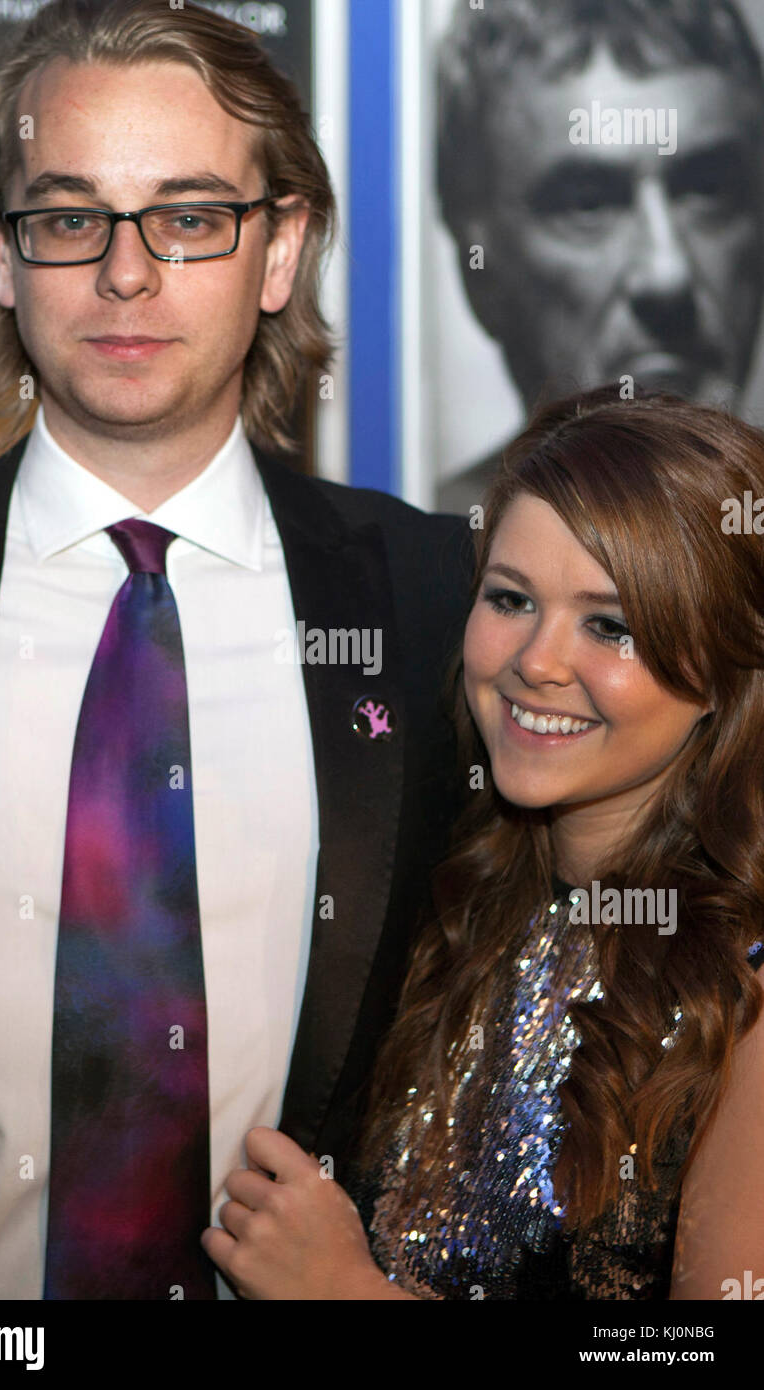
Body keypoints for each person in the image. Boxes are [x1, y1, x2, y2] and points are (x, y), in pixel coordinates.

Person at [0, 0, 471, 1300]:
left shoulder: (439, 597)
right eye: (67, 217)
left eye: (190, 216)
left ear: (280, 252)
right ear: (1, 255)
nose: (125, 273)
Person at [202, 384, 764, 1300]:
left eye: (608, 624)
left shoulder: (744, 988)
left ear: (719, 669)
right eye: (510, 599)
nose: (534, 661)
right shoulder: (466, 907)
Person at [434, 0, 764, 513]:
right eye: (588, 203)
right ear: (478, 271)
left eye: (707, 190)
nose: (667, 272)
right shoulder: (409, 573)